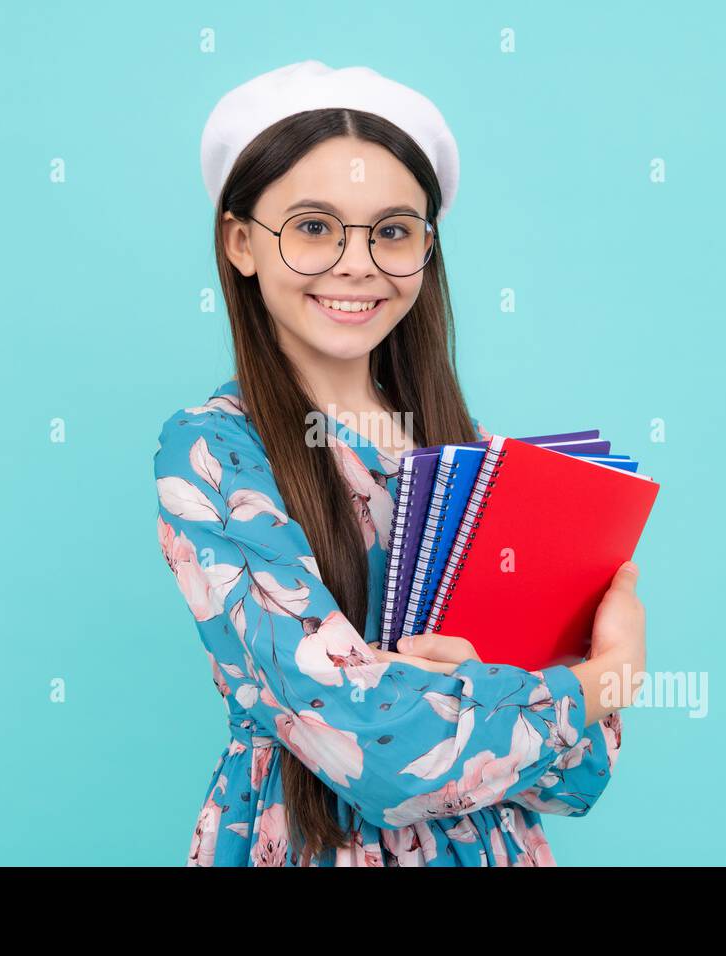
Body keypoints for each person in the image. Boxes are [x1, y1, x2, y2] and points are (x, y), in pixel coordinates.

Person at [154, 60, 647, 866]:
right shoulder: (212, 453)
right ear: (241, 241)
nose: (358, 264)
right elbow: (376, 753)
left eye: (392, 231)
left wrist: (484, 705)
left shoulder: (479, 460)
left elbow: (579, 777)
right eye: (313, 227)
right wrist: (608, 678)